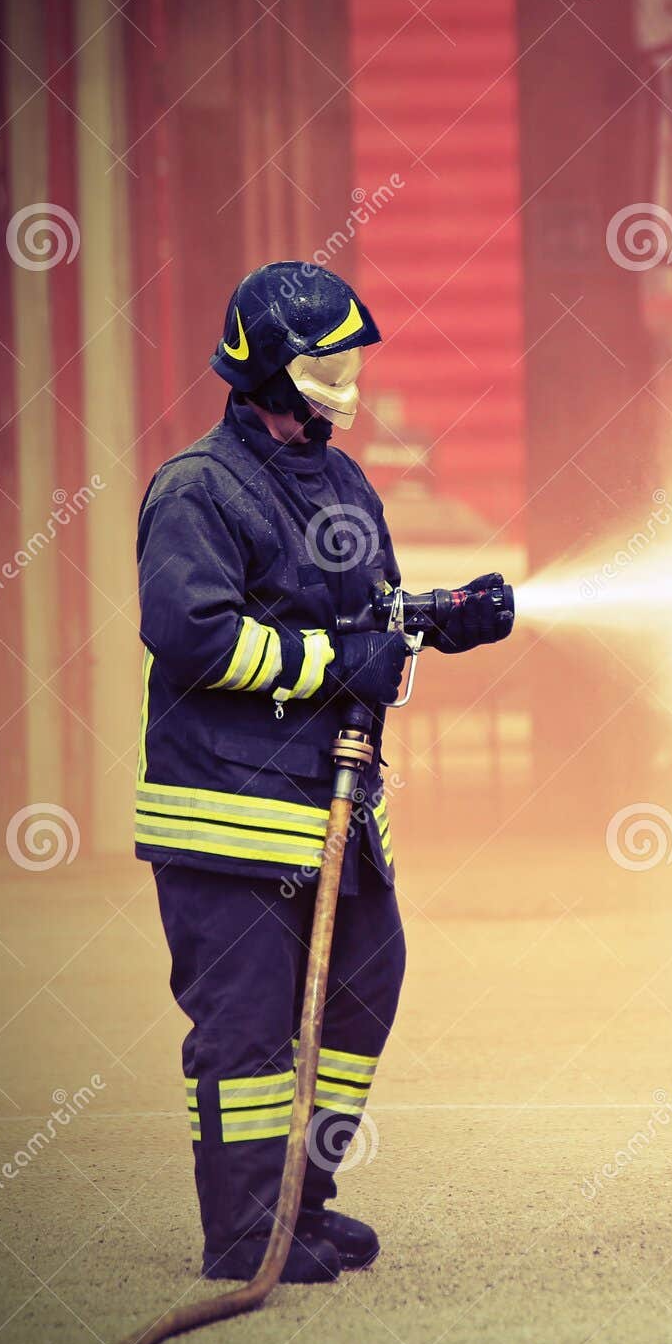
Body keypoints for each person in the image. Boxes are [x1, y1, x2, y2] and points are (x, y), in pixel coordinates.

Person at [136, 262, 510, 1283]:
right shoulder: (198, 489)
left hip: (331, 807)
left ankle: (304, 1199)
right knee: (248, 1027)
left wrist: (440, 617)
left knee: (361, 991)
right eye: (322, 362)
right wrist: (333, 664)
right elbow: (194, 636)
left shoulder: (339, 480)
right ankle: (246, 1231)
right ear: (265, 368)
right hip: (229, 813)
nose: (340, 379)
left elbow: (365, 616)